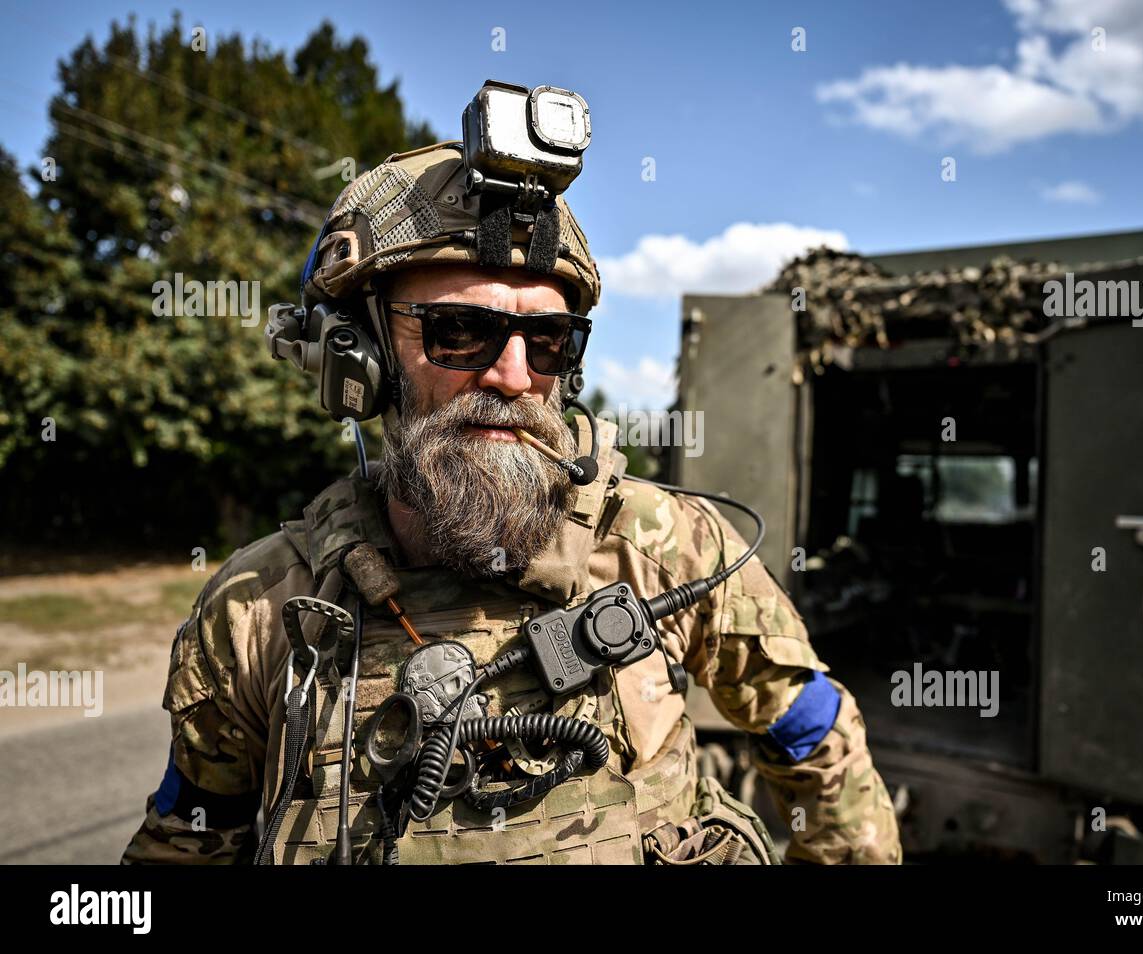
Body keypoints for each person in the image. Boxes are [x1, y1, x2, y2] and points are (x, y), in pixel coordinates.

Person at [121, 82, 900, 865]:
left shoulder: (669, 548)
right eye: (461, 331)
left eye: (549, 340)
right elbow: (188, 840)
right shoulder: (262, 611)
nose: (514, 374)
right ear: (355, 360)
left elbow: (814, 735)